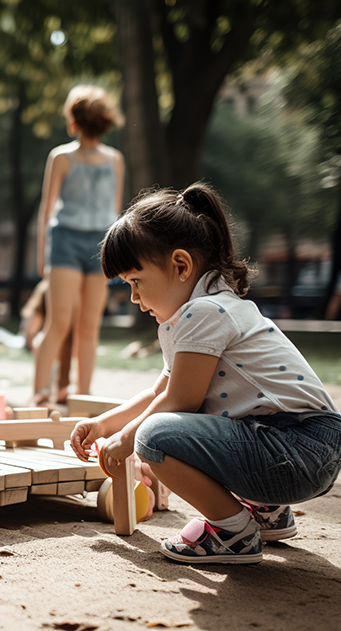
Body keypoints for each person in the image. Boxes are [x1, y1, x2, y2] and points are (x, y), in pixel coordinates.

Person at [70, 183, 341, 565]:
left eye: (136, 281)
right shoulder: (210, 309)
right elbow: (159, 391)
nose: (134, 297)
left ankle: (232, 531)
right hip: (306, 445)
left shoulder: (204, 313)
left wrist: (126, 439)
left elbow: (179, 401)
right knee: (174, 424)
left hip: (295, 448)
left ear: (181, 266)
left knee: (155, 435)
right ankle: (266, 512)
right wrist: (103, 424)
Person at [33, 85, 125, 407]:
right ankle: (40, 393)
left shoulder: (114, 160)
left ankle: (82, 397)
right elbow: (49, 212)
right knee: (61, 322)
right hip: (68, 242)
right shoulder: (61, 157)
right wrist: (44, 257)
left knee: (85, 325)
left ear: (74, 122)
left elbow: (112, 215)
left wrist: (41, 258)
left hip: (98, 245)